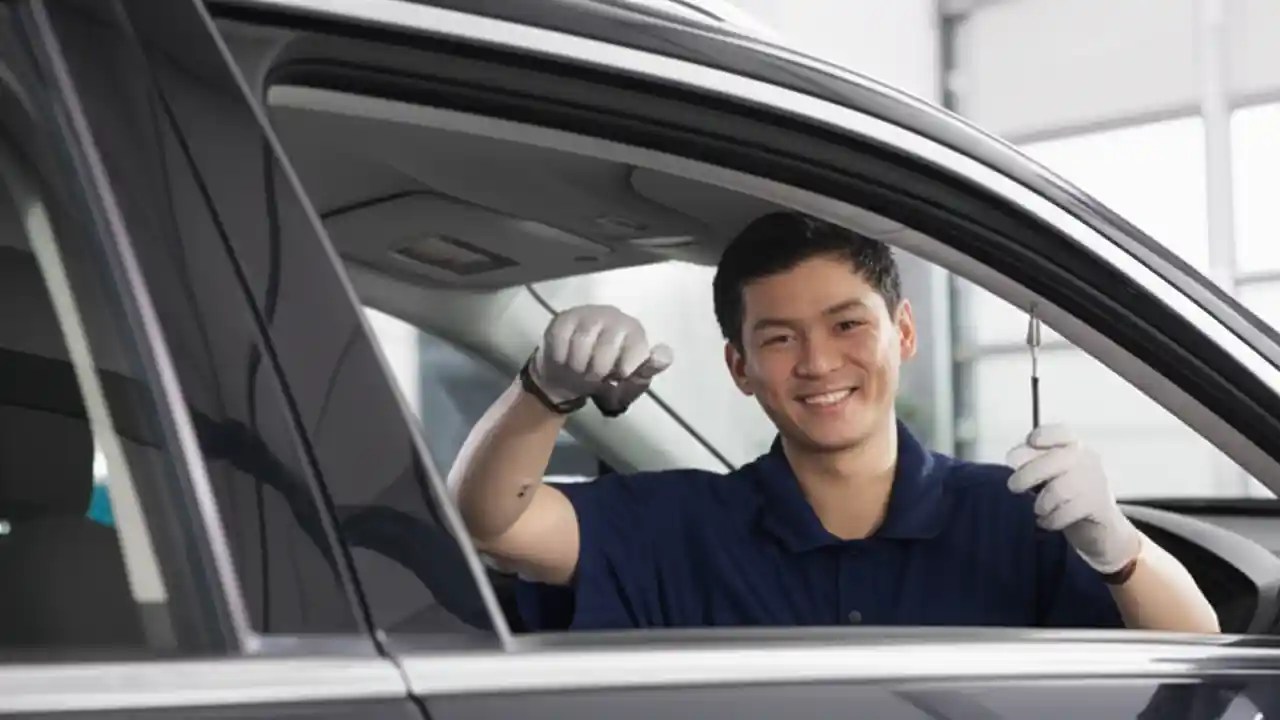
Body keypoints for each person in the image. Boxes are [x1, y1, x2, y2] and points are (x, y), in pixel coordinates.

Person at [448, 211, 1219, 633]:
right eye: (779, 339)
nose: (818, 363)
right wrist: (545, 389)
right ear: (740, 367)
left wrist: (1118, 549)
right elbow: (493, 524)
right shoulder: (679, 525)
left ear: (903, 333)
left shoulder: (1018, 515)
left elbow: (1200, 657)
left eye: (848, 325)